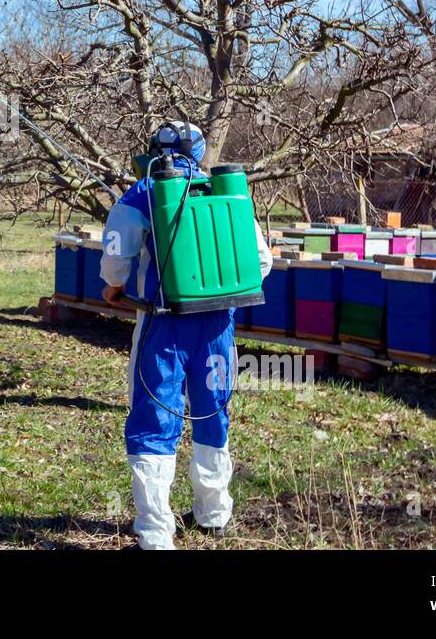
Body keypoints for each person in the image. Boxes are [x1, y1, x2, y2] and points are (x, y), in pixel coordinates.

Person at [100, 121, 273, 550]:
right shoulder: (225, 193)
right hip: (218, 328)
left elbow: (115, 259)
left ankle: (156, 533)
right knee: (213, 414)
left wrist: (112, 287)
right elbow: (262, 263)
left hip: (164, 325)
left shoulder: (141, 193)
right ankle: (214, 514)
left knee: (155, 421)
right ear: (199, 152)